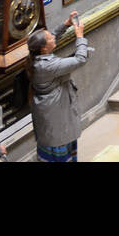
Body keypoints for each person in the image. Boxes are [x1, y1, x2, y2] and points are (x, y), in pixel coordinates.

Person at [28, 10, 91, 162]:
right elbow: (80, 59)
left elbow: (52, 36)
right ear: (44, 48)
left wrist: (66, 24)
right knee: (59, 146)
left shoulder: (35, 55)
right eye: (49, 38)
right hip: (55, 115)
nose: (52, 37)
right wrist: (80, 37)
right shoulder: (47, 66)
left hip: (53, 110)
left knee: (60, 140)